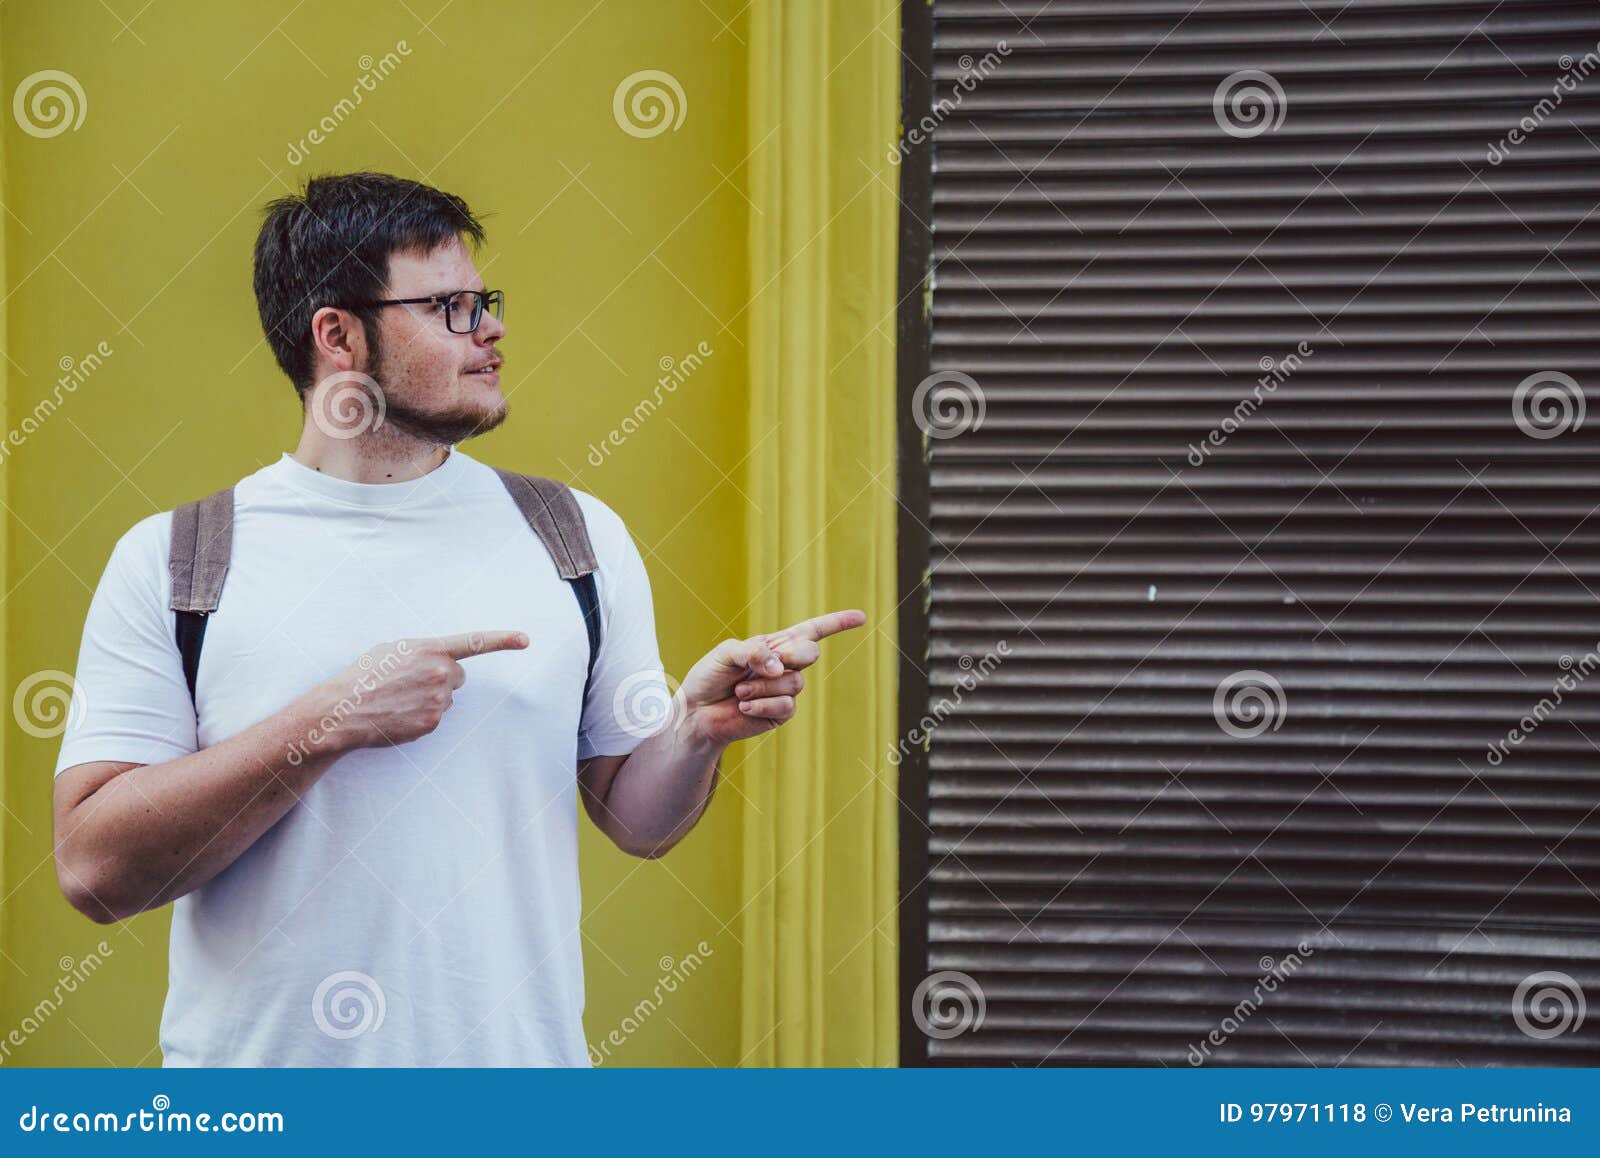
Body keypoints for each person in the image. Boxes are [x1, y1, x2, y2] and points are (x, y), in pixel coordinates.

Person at [50, 171, 864, 1066]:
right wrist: (328, 723)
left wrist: (694, 735)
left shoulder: (575, 537)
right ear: (339, 336)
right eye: (452, 307)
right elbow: (94, 872)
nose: (493, 330)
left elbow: (639, 822)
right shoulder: (178, 560)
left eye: (487, 301)